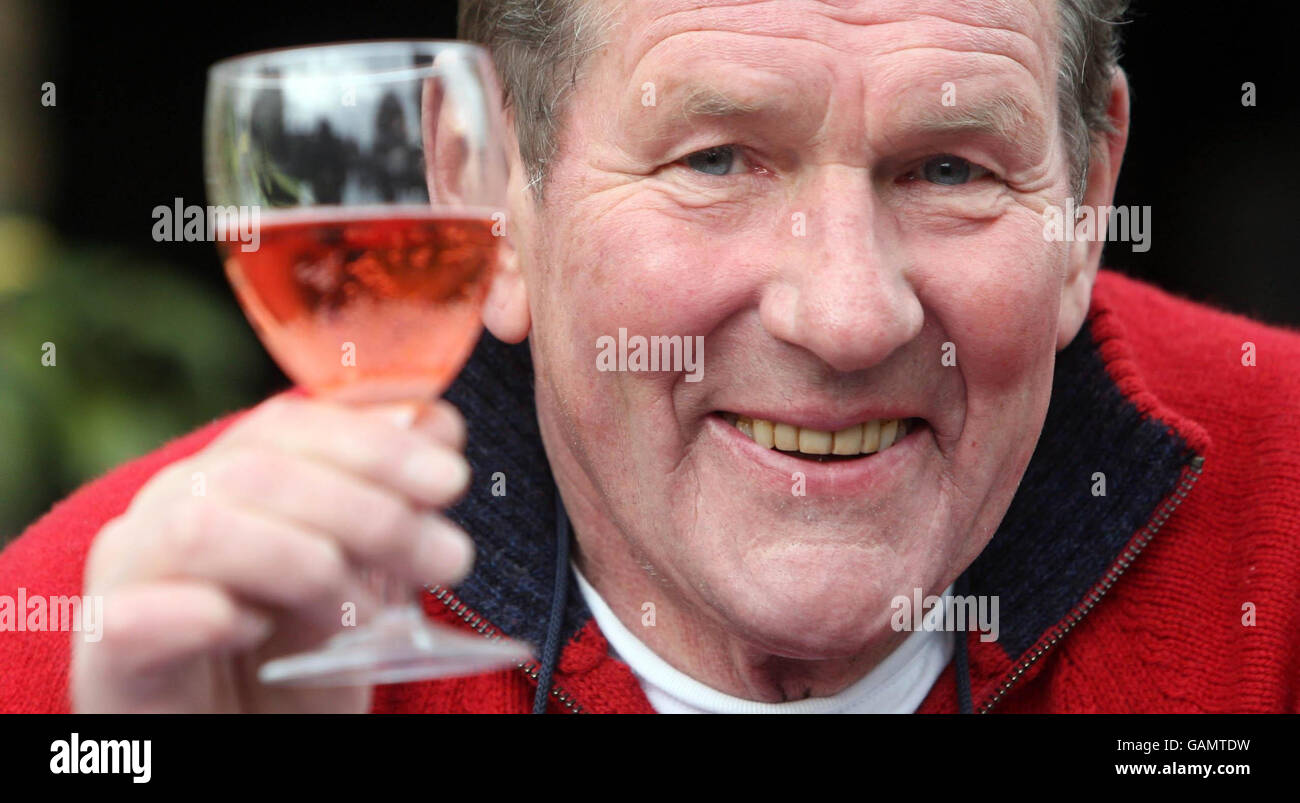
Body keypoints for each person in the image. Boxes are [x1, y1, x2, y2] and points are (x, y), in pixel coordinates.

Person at [2, 0, 1298, 714]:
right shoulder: (106, 646)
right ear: (489, 193)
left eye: (948, 168)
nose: (845, 316)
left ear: (1086, 203)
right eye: (717, 159)